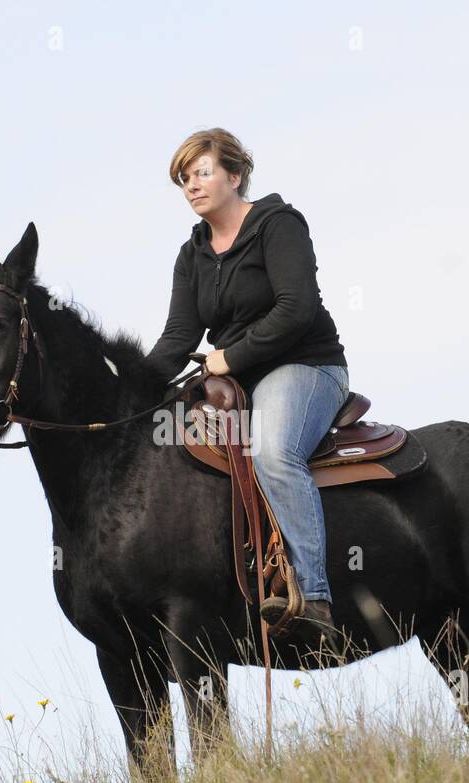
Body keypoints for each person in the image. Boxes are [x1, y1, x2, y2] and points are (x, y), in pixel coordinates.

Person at [147, 128, 349, 639]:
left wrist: (229, 357)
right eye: (184, 179)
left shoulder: (278, 225)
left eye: (203, 172)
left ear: (235, 176)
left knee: (273, 453)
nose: (192, 185)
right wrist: (133, 385)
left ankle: (314, 599)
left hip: (305, 366)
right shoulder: (192, 254)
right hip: (233, 381)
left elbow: (296, 309)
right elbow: (178, 336)